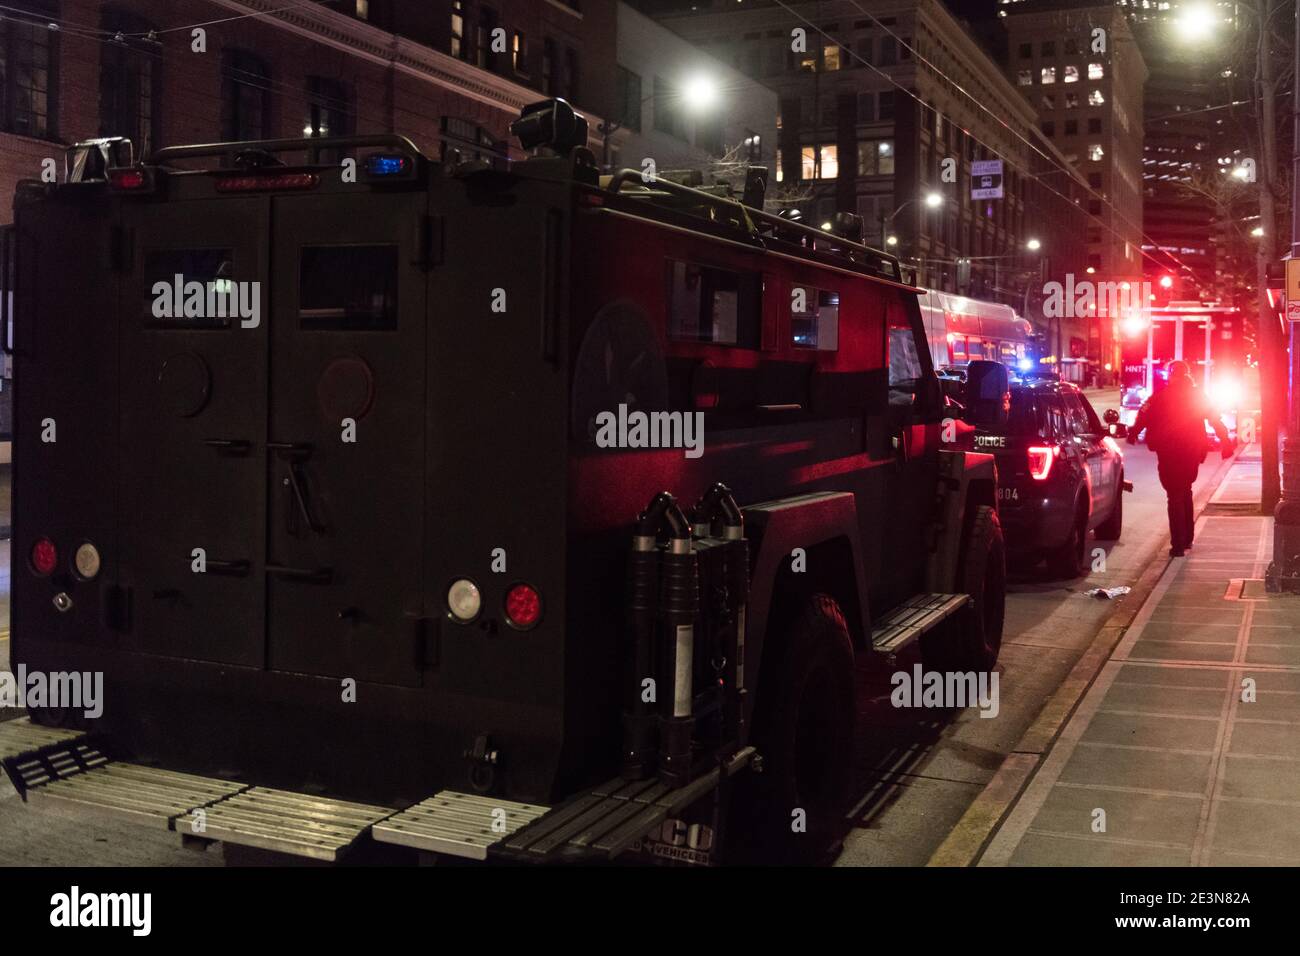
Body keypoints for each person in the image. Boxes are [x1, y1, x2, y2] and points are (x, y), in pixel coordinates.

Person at [1128, 361, 1234, 556]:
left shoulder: (1160, 396)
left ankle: (1178, 544)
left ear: (1171, 375)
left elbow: (1143, 416)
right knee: (1185, 489)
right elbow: (1214, 418)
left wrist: (1133, 434)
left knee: (1174, 494)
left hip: (1169, 452)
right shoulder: (1198, 396)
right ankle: (1187, 539)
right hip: (1192, 451)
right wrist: (1225, 439)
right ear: (1187, 375)